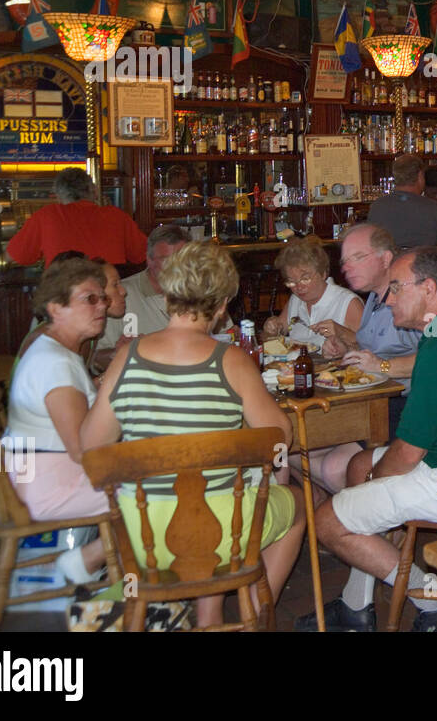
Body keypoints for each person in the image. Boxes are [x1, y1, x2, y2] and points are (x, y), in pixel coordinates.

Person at [80, 242, 304, 628]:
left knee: (203, 502)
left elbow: (91, 445)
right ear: (221, 306)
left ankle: (209, 613)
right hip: (221, 535)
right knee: (297, 503)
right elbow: (280, 438)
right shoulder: (231, 361)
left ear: (166, 294)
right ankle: (254, 613)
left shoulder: (126, 357)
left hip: (142, 535)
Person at [302, 247, 437, 632]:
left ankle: (434, 603)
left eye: (396, 289)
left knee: (328, 520)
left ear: (429, 288)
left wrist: (375, 482)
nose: (387, 300)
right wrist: (370, 477)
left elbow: (408, 453)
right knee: (358, 464)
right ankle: (357, 606)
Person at [3, 258, 113, 584]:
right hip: (50, 487)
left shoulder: (57, 350)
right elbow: (83, 451)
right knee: (168, 488)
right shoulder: (55, 363)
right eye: (89, 299)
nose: (102, 306)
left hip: (38, 474)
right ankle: (87, 562)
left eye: (102, 298)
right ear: (56, 308)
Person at [308, 222, 423, 493]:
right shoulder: (374, 297)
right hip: (370, 401)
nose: (346, 267)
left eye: (357, 257)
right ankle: (342, 519)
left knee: (333, 467)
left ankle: (369, 523)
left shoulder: (410, 298)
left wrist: (382, 366)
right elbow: (377, 345)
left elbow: (435, 358)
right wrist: (346, 345)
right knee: (294, 451)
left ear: (385, 259)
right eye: (345, 260)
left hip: (404, 406)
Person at [6, 168, 148, 268]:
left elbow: (15, 256)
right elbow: (141, 255)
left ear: (58, 196)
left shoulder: (46, 215)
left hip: (65, 297)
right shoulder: (117, 216)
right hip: (107, 297)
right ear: (95, 192)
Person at [17, 256, 128, 378]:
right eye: (115, 284)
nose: (123, 291)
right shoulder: (50, 344)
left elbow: (82, 388)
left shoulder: (88, 333)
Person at [95, 224, 191, 355]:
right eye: (167, 260)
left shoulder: (200, 291)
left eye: (183, 259)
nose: (176, 267)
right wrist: (126, 352)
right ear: (149, 260)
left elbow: (226, 337)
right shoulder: (119, 295)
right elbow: (96, 356)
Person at [261, 236, 364, 340]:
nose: (298, 287)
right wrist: (270, 330)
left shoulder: (348, 303)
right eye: (291, 282)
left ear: (323, 273)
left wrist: (342, 334)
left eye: (305, 279)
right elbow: (277, 333)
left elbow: (370, 348)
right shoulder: (296, 300)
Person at [365, 153, 437, 249]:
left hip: (390, 263)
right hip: (422, 262)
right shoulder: (433, 207)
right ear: (420, 176)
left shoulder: (377, 206)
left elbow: (371, 244)